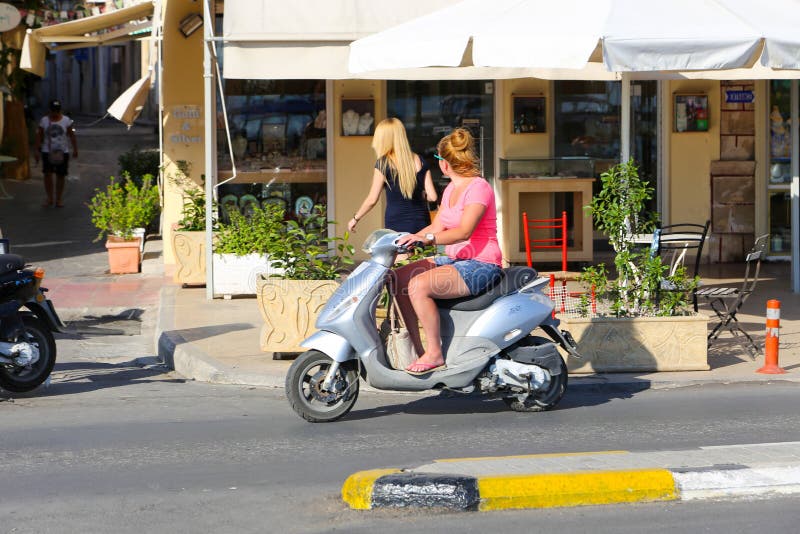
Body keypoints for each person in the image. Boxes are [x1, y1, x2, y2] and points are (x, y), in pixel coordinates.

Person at [394, 128, 503, 375]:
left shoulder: (479, 188)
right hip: (455, 259)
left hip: (481, 264)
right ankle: (416, 348)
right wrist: (408, 241)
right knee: (398, 279)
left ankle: (435, 352)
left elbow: (464, 231)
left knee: (418, 286)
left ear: (444, 164)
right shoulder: (451, 190)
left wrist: (427, 240)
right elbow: (437, 226)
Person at [348, 118, 437, 234]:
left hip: (397, 223)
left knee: (401, 251)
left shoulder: (384, 163)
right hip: (422, 222)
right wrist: (420, 194)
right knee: (419, 251)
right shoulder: (420, 160)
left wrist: (355, 218)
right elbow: (433, 197)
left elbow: (372, 199)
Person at [34, 99, 78, 208]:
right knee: (47, 175)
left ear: (60, 110)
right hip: (47, 152)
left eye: (57, 110)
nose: (55, 113)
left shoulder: (66, 121)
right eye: (53, 110)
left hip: (62, 152)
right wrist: (36, 150)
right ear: (49, 110)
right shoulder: (44, 121)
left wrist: (75, 149)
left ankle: (58, 199)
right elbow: (39, 136)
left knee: (60, 176)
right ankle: (49, 198)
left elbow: (71, 135)